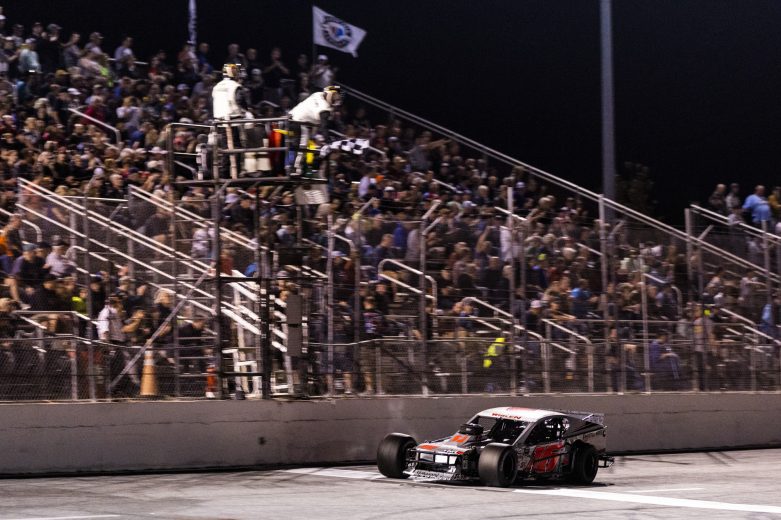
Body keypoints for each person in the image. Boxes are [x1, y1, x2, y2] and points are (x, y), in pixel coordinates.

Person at [287, 85, 341, 176]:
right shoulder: (324, 107)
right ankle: (294, 169)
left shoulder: (318, 94)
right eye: (334, 95)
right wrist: (328, 140)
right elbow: (324, 125)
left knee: (299, 147)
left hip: (294, 118)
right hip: (298, 122)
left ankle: (295, 169)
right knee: (300, 147)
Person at [212, 62, 250, 178]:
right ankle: (234, 174)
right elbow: (240, 101)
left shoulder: (217, 86)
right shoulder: (234, 86)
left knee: (225, 148)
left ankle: (225, 174)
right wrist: (246, 109)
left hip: (220, 121)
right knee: (236, 147)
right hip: (232, 120)